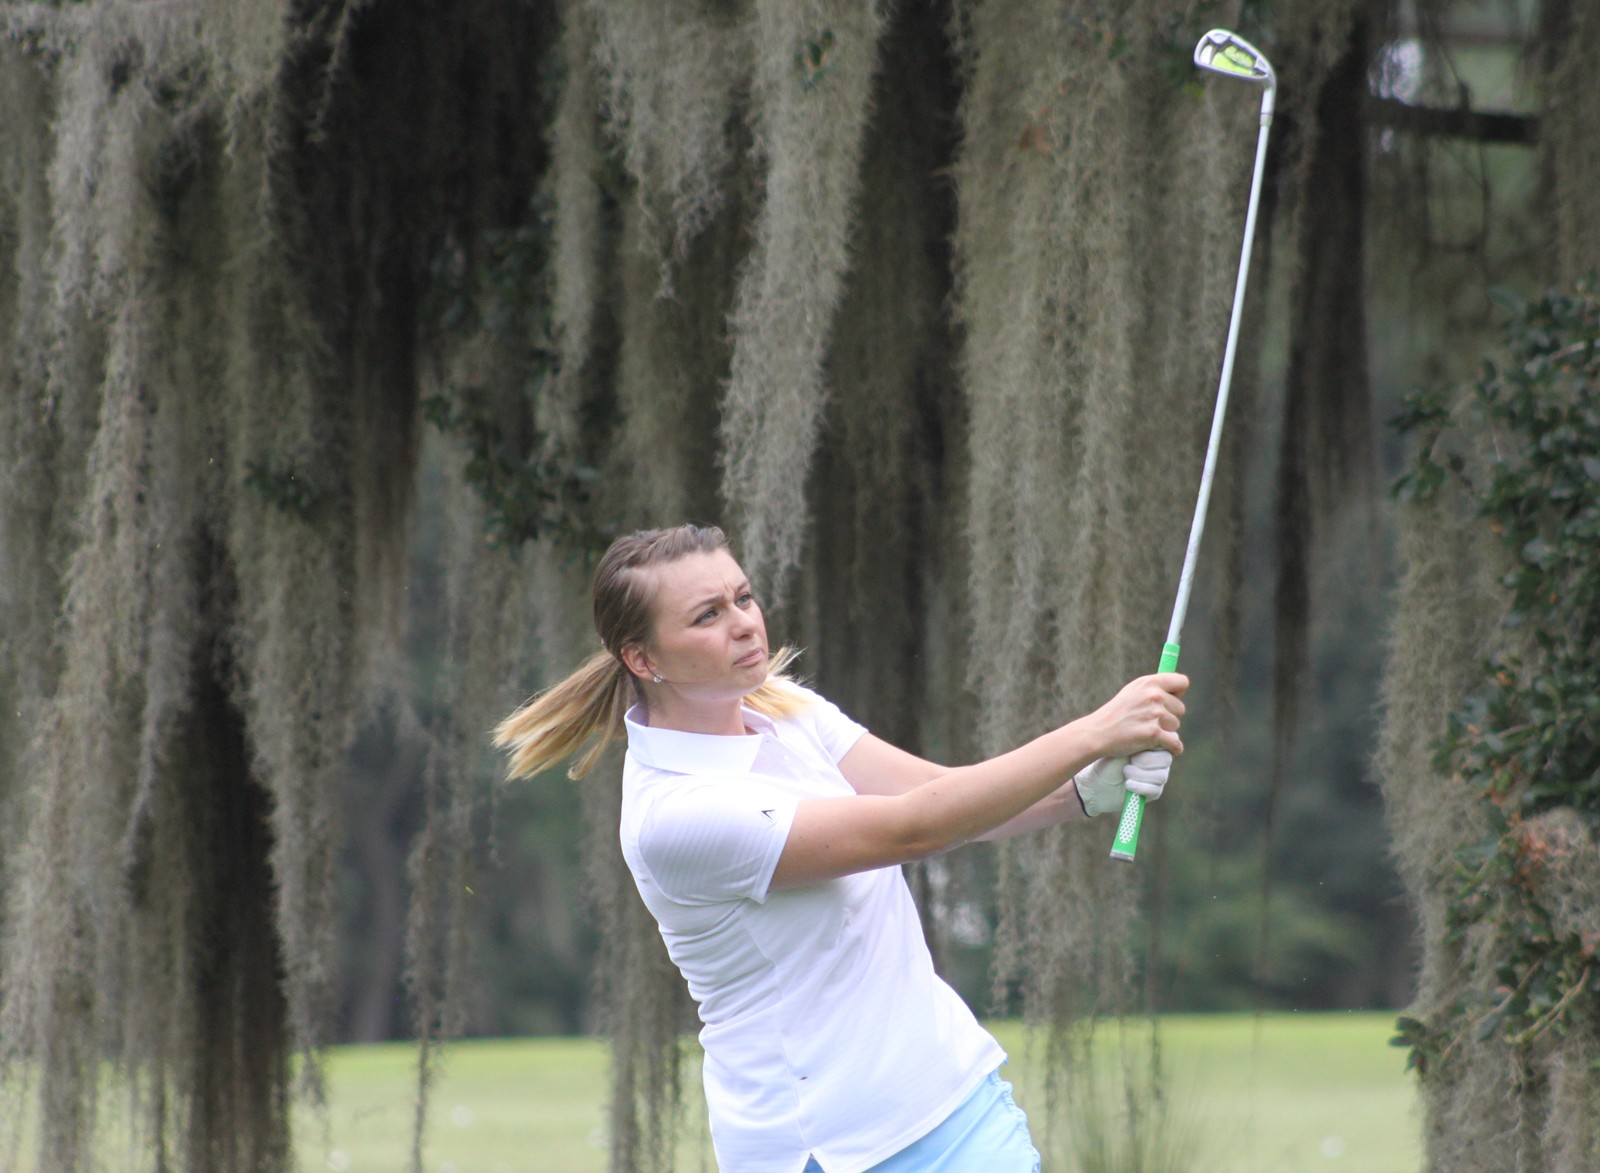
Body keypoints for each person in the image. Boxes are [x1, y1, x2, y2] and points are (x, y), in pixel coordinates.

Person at [495, 524, 1185, 1173]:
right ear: (642, 658)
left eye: (743, 596)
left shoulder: (785, 707)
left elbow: (945, 795)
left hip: (954, 1096)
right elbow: (913, 828)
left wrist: (1082, 792)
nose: (743, 622)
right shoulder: (675, 814)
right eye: (706, 615)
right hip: (830, 1146)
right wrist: (1096, 729)